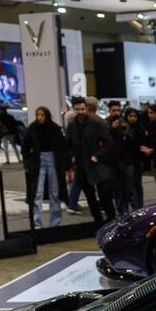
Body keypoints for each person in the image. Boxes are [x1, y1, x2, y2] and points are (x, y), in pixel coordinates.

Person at [65, 96, 115, 225]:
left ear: (86, 108)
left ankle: (111, 223)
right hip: (82, 167)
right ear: (73, 109)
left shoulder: (97, 123)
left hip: (97, 166)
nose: (80, 112)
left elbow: (109, 143)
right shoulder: (71, 125)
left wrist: (97, 156)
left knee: (105, 197)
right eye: (77, 109)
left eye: (82, 109)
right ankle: (98, 223)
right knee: (90, 198)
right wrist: (72, 156)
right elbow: (68, 144)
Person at [21, 106, 66, 229]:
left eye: (42, 115)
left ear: (47, 115)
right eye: (37, 115)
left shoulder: (55, 128)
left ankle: (55, 224)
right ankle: (36, 225)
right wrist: (27, 162)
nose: (39, 117)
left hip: (53, 161)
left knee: (55, 193)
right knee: (37, 193)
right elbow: (25, 147)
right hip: (37, 161)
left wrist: (65, 163)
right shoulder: (32, 128)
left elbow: (63, 146)